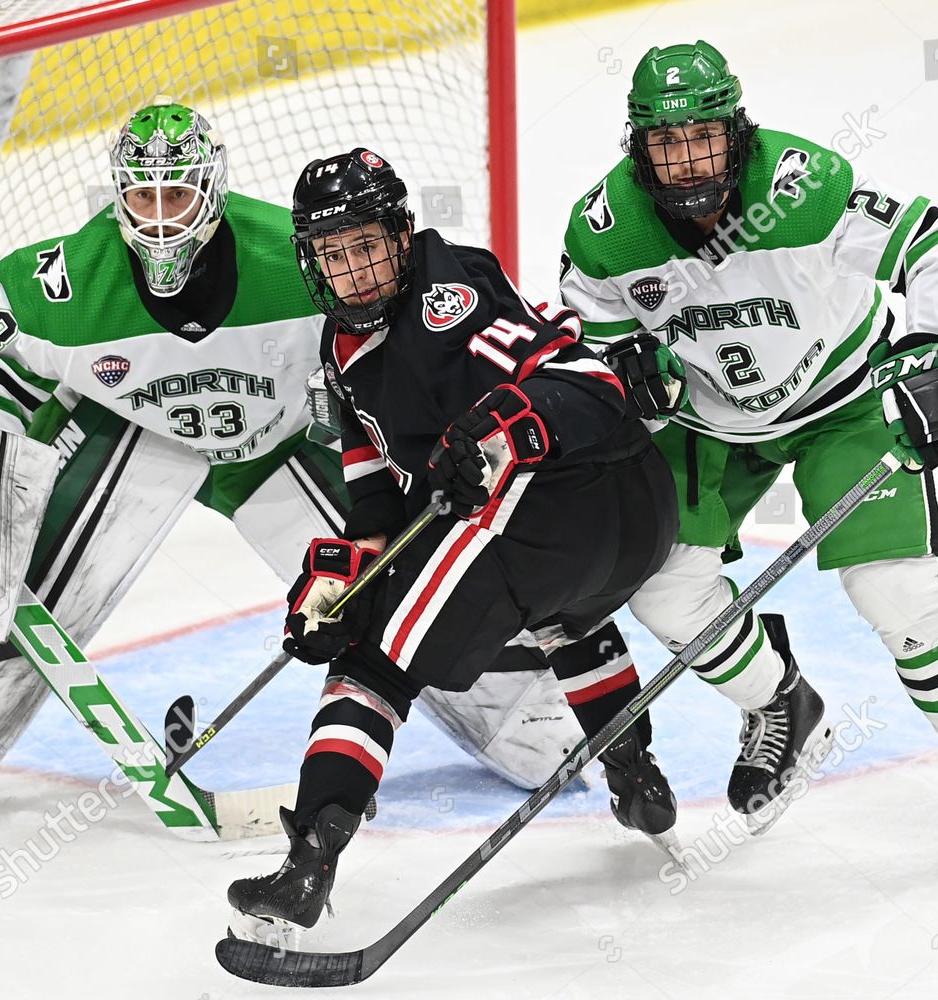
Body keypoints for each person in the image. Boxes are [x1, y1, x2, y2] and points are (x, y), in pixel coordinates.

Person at [0, 101, 587, 820]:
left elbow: (412, 326)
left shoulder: (293, 260)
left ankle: (525, 715)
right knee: (15, 560)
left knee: (399, 567)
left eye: (177, 193)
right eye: (142, 193)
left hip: (284, 442)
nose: (159, 215)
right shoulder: (67, 278)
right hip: (132, 439)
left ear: (212, 190)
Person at [559, 42, 938, 851]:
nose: (685, 161)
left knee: (897, 593)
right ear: (636, 147)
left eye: (703, 136)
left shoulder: (802, 186)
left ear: (737, 131)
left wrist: (936, 345)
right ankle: (781, 702)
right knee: (663, 591)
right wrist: (620, 367)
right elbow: (594, 322)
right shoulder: (607, 228)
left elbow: (935, 243)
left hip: (842, 402)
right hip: (706, 420)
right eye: (664, 142)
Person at [225, 147, 681, 939]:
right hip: (611, 533)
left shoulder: (447, 294)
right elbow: (374, 500)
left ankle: (308, 866)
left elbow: (587, 386)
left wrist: (503, 428)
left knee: (372, 662)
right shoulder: (344, 354)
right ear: (311, 263)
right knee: (565, 619)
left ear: (402, 235)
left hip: (576, 495)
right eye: (333, 255)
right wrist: (339, 578)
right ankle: (635, 772)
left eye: (366, 245)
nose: (354, 270)